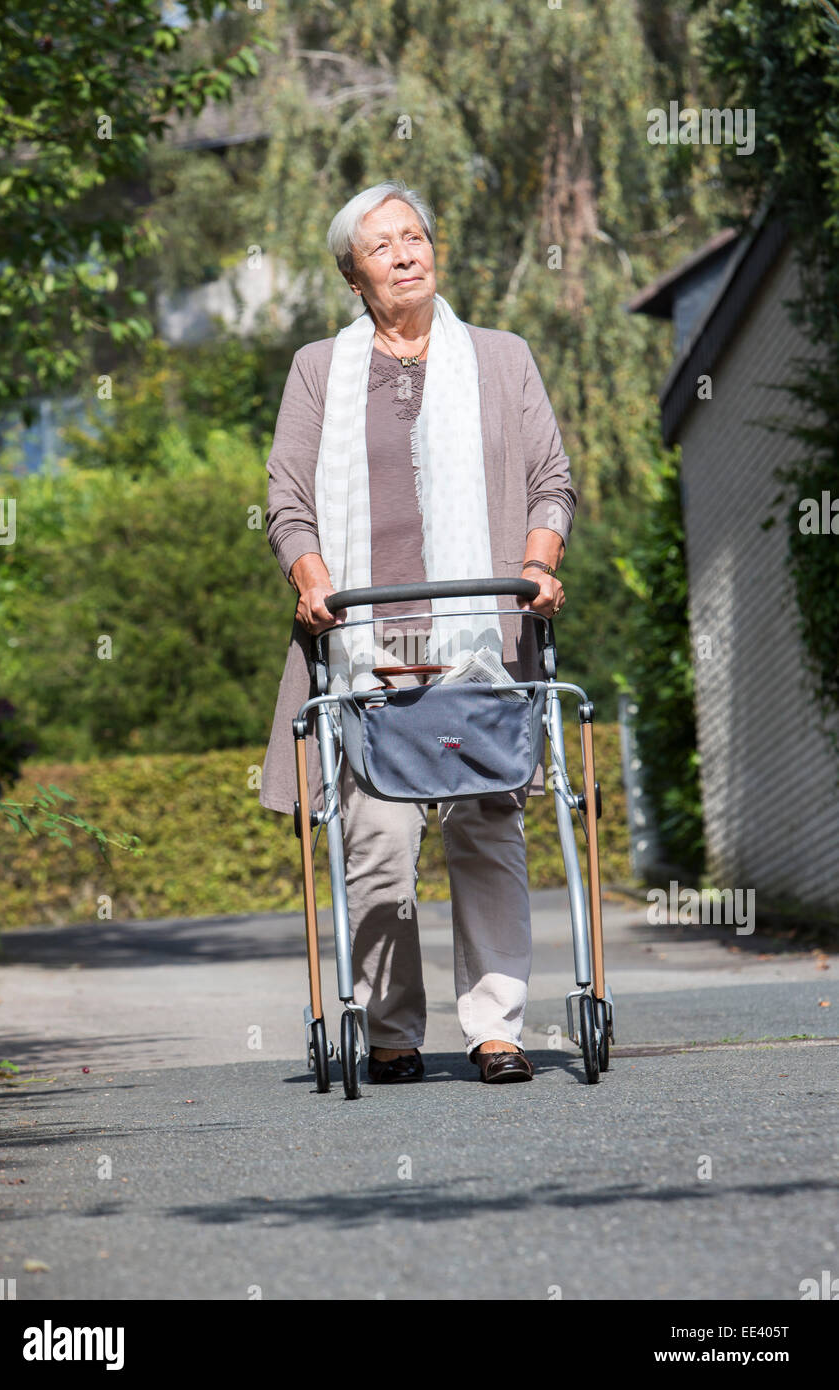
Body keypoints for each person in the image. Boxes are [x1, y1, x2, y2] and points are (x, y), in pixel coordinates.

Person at [260, 180, 577, 1083]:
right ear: (353, 278)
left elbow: (552, 477)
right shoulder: (320, 370)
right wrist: (312, 582)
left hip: (480, 634)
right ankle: (392, 1028)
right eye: (382, 246)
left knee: (486, 828)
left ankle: (496, 1027)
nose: (406, 253)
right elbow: (288, 498)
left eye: (414, 236)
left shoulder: (502, 358)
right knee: (381, 844)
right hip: (370, 648)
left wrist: (540, 562)